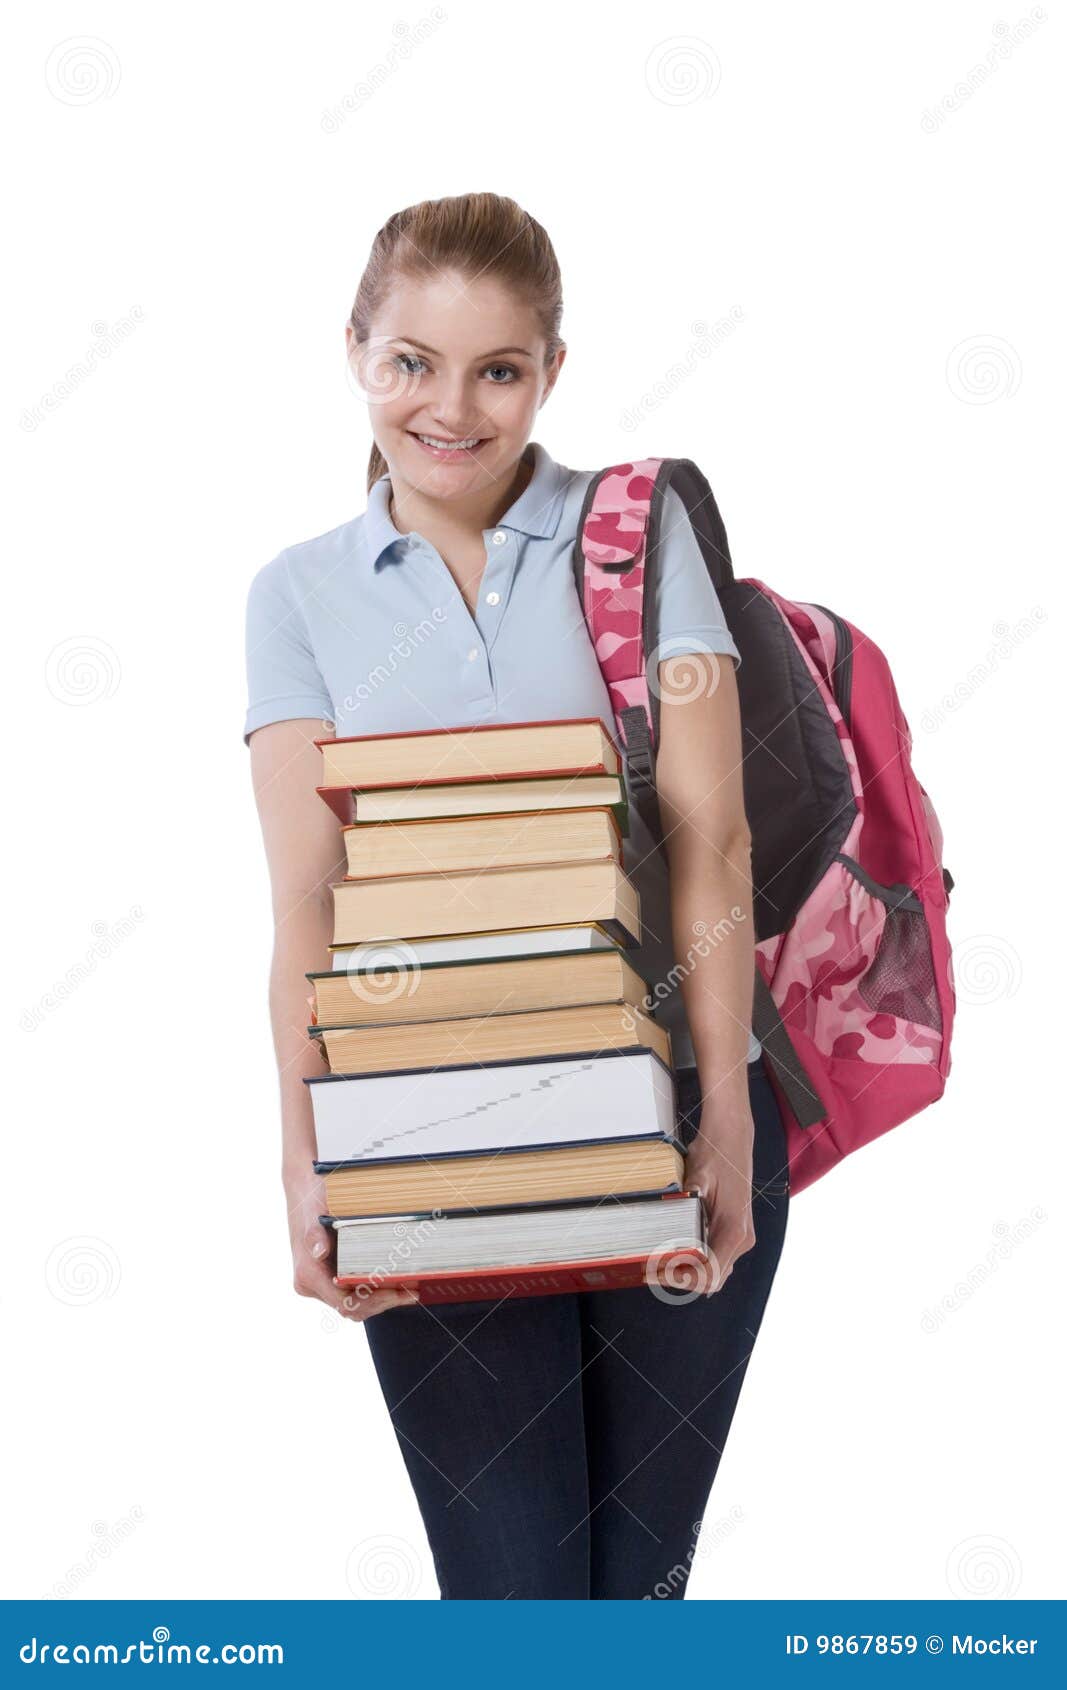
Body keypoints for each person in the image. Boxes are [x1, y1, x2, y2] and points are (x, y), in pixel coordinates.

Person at [244, 192, 790, 1600]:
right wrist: (306, 1159)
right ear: (355, 351)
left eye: (498, 369)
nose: (451, 408)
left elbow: (713, 837)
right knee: (510, 1600)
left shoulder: (634, 534)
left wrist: (725, 1117)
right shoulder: (298, 594)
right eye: (411, 361)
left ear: (551, 370)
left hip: (676, 1104)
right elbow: (308, 899)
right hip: (426, 1136)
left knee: (638, 1597)